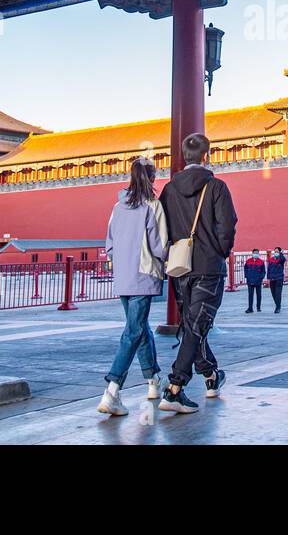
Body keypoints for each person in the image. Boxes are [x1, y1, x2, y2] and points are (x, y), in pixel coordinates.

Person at [158, 133, 238, 414]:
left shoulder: (169, 190)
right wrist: (220, 251)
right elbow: (227, 225)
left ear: (184, 156)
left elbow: (163, 226)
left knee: (193, 324)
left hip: (180, 267)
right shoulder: (216, 187)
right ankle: (174, 389)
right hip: (208, 267)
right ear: (207, 155)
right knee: (196, 326)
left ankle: (211, 375)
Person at [98, 157, 168, 417]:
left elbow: (109, 242)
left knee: (139, 328)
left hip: (123, 277)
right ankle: (112, 389)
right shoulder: (153, 206)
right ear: (152, 178)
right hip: (143, 275)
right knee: (133, 332)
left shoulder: (118, 207)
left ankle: (153, 381)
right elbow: (160, 246)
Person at [243, 248, 265, 313]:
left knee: (259, 295)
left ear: (258, 254)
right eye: (254, 253)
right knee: (250, 295)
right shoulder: (248, 261)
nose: (256, 254)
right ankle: (250, 308)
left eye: (257, 253)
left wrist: (261, 278)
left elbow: (263, 271)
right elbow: (245, 269)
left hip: (258, 281)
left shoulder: (261, 262)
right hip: (250, 281)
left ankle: (258, 307)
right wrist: (247, 276)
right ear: (252, 253)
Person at [266, 247, 285, 313]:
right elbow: (269, 269)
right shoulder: (271, 259)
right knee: (273, 293)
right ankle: (277, 305)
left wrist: (281, 254)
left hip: (279, 278)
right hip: (272, 278)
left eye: (277, 252)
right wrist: (268, 277)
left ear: (279, 252)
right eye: (275, 252)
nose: (275, 253)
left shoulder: (281, 259)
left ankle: (278, 307)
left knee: (278, 293)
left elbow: (283, 259)